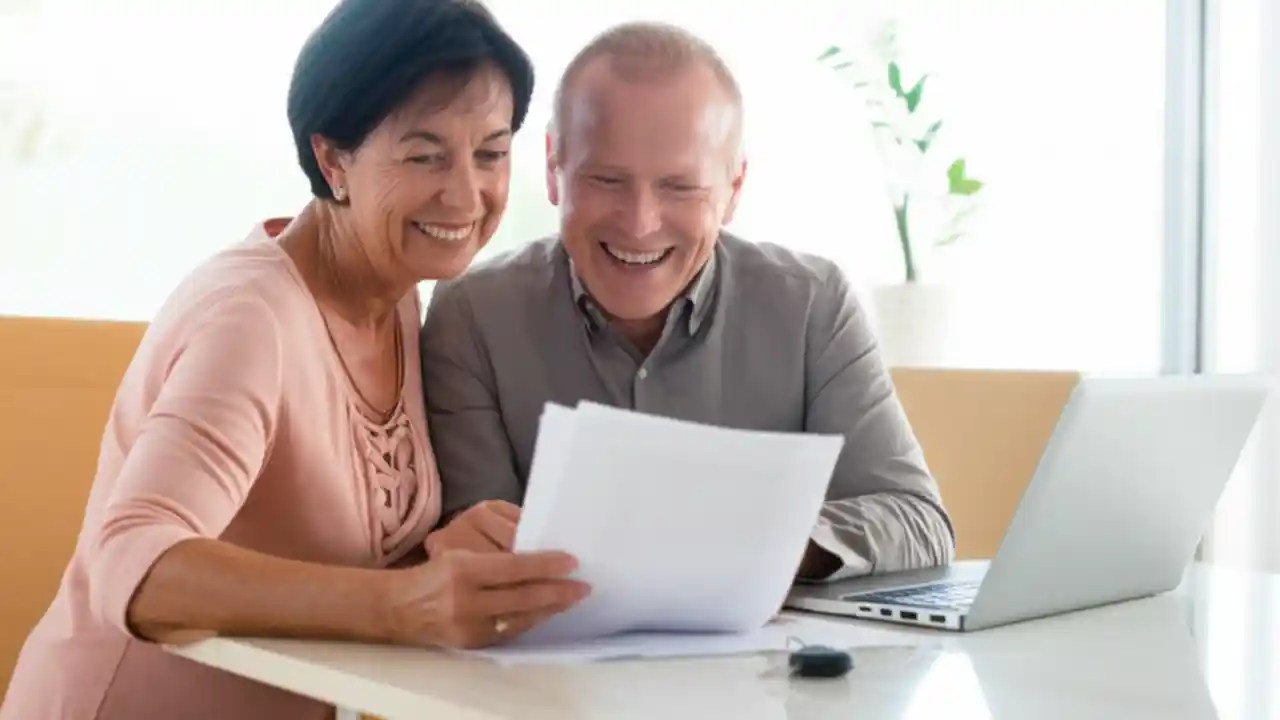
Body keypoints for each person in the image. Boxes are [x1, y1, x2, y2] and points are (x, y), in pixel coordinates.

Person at [0, 2, 590, 718]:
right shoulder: (251, 319)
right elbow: (131, 563)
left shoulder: (398, 295)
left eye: (490, 154)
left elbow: (320, 550)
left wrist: (435, 557)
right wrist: (406, 602)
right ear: (333, 160)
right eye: (425, 155)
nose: (467, 194)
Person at [420, 21, 956, 580]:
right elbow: (476, 542)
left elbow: (918, 522)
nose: (640, 224)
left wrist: (747, 542)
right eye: (606, 180)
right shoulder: (471, 315)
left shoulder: (813, 308)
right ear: (555, 168)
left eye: (680, 187)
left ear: (733, 188)